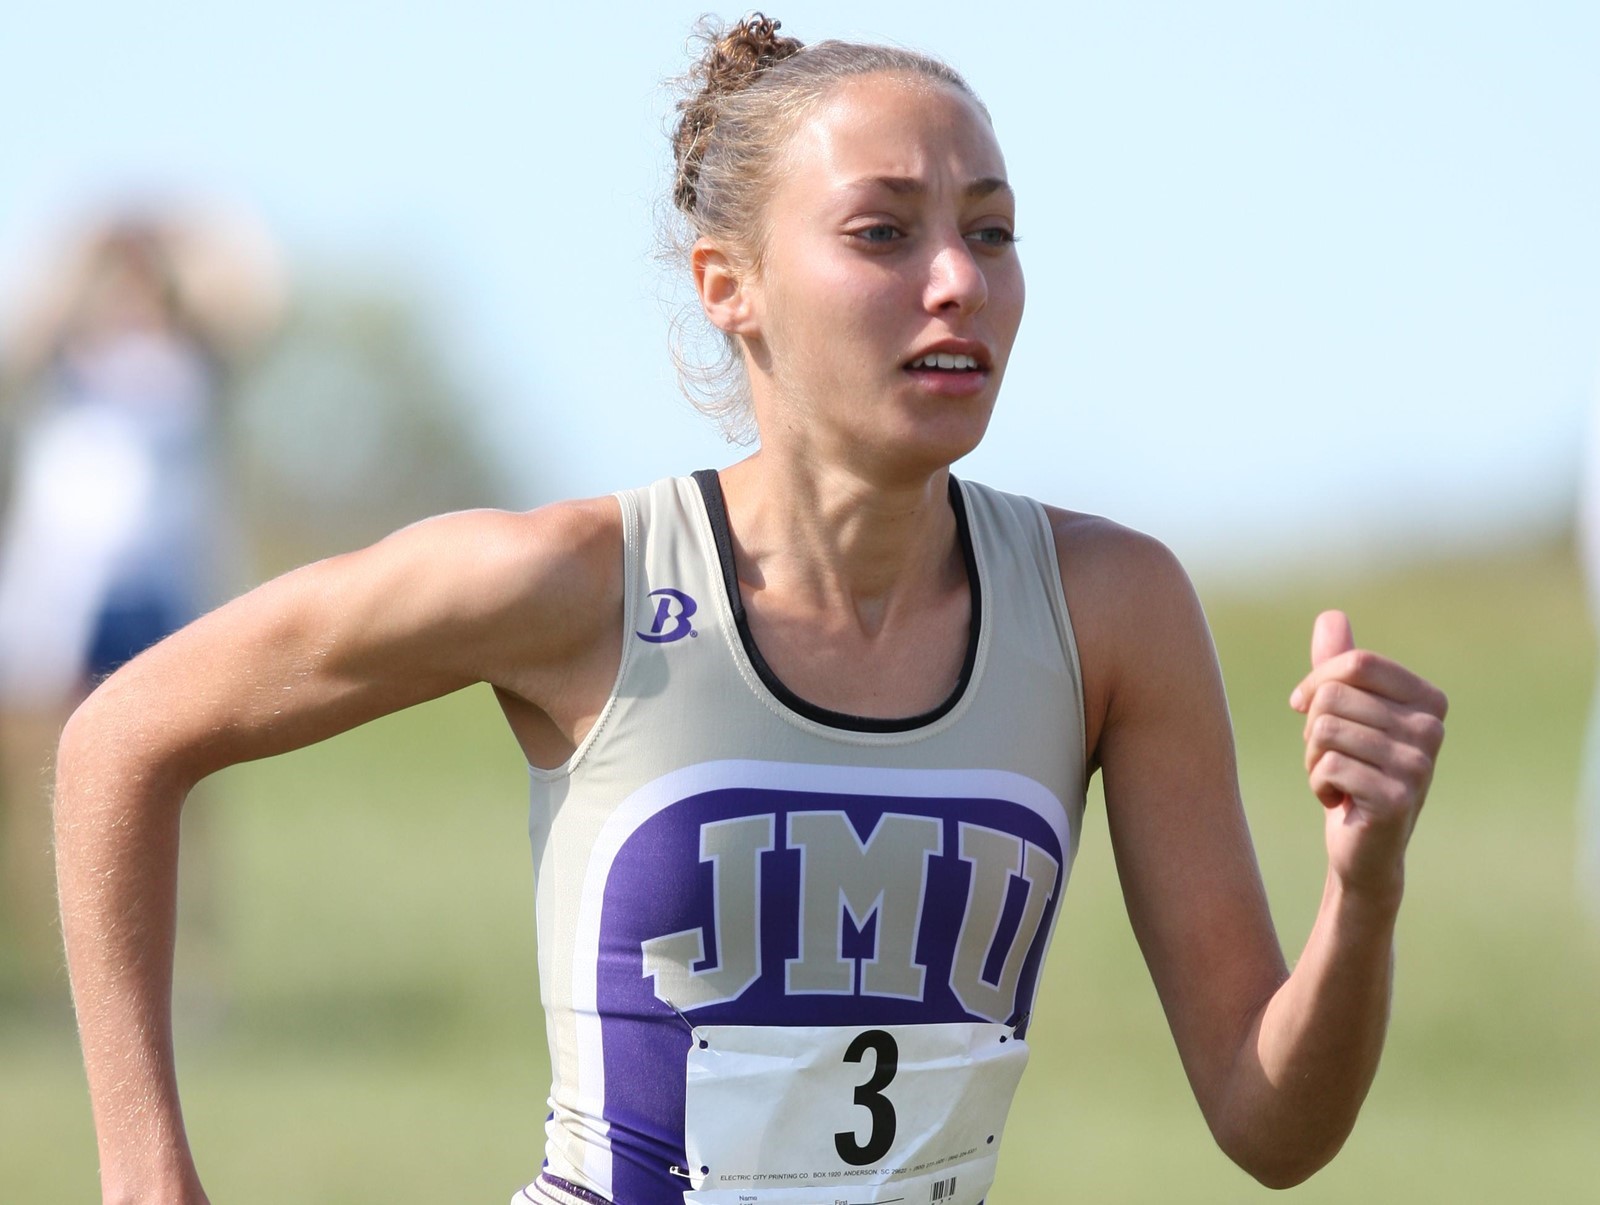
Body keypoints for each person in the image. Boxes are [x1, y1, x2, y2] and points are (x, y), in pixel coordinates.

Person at [52, 16, 1447, 1205]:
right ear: (733, 287)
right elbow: (122, 736)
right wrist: (143, 1172)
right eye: (883, 232)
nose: (956, 276)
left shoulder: (1113, 608)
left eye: (993, 230)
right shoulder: (567, 582)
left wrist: (1365, 883)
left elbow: (1274, 1129)